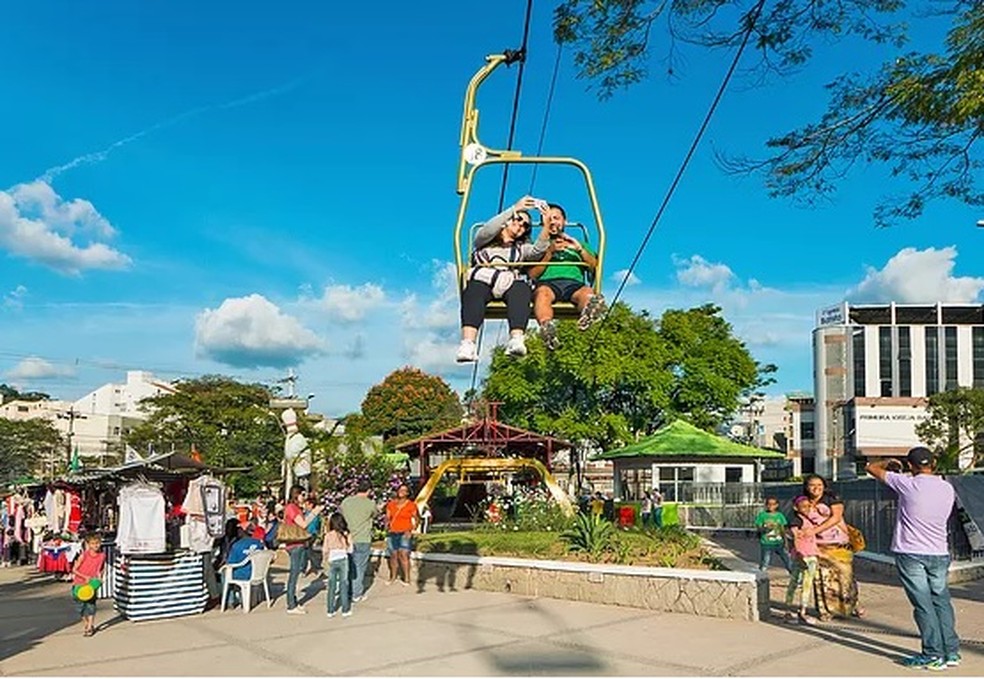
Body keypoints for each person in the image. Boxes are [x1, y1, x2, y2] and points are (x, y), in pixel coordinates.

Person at [867, 448, 960, 669]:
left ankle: (932, 654)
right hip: (939, 552)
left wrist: (888, 461)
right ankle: (952, 652)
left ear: (910, 465)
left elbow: (871, 468)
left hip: (911, 552)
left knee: (923, 605)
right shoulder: (947, 487)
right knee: (942, 601)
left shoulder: (907, 484)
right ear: (934, 463)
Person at [456, 196, 551, 363]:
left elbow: (538, 250)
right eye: (518, 220)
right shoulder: (484, 242)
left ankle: (516, 339)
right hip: (483, 277)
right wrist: (514, 208)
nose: (521, 226)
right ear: (507, 221)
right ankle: (468, 343)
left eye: (525, 226)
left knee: (521, 289)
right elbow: (486, 230)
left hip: (507, 281)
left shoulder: (521, 248)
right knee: (474, 290)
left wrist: (546, 225)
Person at [529, 203, 607, 350]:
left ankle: (588, 312)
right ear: (542, 223)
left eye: (556, 218)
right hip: (548, 283)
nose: (552, 222)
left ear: (564, 221)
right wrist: (549, 252)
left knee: (587, 293)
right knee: (542, 294)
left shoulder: (580, 244)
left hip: (574, 284)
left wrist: (579, 249)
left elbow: (594, 266)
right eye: (547, 219)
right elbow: (532, 274)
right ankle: (547, 327)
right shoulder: (538, 246)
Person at [800, 474, 864, 620]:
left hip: (838, 543)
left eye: (819, 485)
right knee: (822, 579)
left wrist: (814, 531)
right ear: (806, 487)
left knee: (845, 576)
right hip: (818, 545)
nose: (816, 488)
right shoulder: (803, 502)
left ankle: (851, 605)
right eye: (812, 485)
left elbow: (835, 518)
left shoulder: (832, 499)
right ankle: (826, 611)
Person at [282, 486, 321, 615]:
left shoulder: (294, 508)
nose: (304, 497)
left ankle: (292, 601)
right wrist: (314, 512)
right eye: (302, 494)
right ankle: (291, 605)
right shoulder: (292, 508)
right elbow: (303, 524)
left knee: (296, 572)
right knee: (294, 573)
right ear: (296, 494)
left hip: (297, 543)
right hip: (295, 544)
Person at [340, 480, 378, 603]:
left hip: (348, 538)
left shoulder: (346, 502)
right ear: (369, 490)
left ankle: (347, 591)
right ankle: (357, 594)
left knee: (349, 567)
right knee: (360, 568)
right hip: (363, 538)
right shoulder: (370, 503)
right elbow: (375, 514)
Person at [785, 496, 820, 625]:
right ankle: (800, 612)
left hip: (809, 554)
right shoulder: (797, 520)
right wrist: (799, 553)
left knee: (798, 583)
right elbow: (795, 538)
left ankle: (794, 610)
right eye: (803, 506)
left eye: (808, 506)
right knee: (801, 584)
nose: (807, 509)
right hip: (804, 555)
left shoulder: (807, 520)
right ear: (796, 507)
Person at [71, 533, 105, 638]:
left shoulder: (102, 556)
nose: (96, 545)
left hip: (91, 585)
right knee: (80, 607)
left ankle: (90, 626)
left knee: (91, 606)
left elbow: (101, 568)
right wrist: (84, 576)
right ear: (88, 544)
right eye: (93, 543)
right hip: (79, 584)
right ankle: (85, 622)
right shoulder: (84, 555)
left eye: (97, 543)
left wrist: (100, 578)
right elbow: (74, 570)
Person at [223, 525, 266, 608]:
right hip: (258, 573)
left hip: (243, 574)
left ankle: (230, 601)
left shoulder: (237, 545)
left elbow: (230, 563)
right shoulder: (259, 544)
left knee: (224, 573)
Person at [385, 484, 419, 586]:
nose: (401, 492)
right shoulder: (391, 504)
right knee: (393, 555)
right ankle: (393, 577)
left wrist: (412, 529)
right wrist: (387, 525)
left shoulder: (411, 505)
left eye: (404, 490)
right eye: (400, 490)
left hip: (405, 532)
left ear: (408, 493)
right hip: (393, 532)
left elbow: (417, 519)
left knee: (403, 554)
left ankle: (407, 578)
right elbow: (387, 517)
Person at [323, 513, 353, 618]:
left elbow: (325, 550)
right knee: (343, 584)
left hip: (332, 559)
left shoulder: (328, 535)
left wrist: (325, 560)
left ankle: (330, 609)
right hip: (343, 559)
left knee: (331, 585)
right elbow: (350, 549)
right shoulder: (345, 534)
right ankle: (345, 609)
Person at [755, 497, 791, 572]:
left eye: (773, 504)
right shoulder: (762, 515)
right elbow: (758, 528)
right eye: (769, 504)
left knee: (787, 560)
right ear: (766, 505)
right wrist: (765, 529)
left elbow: (783, 530)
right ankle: (761, 576)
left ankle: (795, 576)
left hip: (779, 543)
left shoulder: (780, 516)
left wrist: (786, 542)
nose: (771, 506)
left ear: (777, 505)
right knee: (765, 561)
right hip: (766, 543)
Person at [303, 495, 323, 575]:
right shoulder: (309, 513)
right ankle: (312, 566)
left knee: (307, 550)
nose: (306, 506)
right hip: (309, 534)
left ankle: (316, 566)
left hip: (311, 534)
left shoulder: (313, 515)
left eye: (307, 504)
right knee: (307, 550)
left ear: (311, 505)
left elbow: (313, 525)